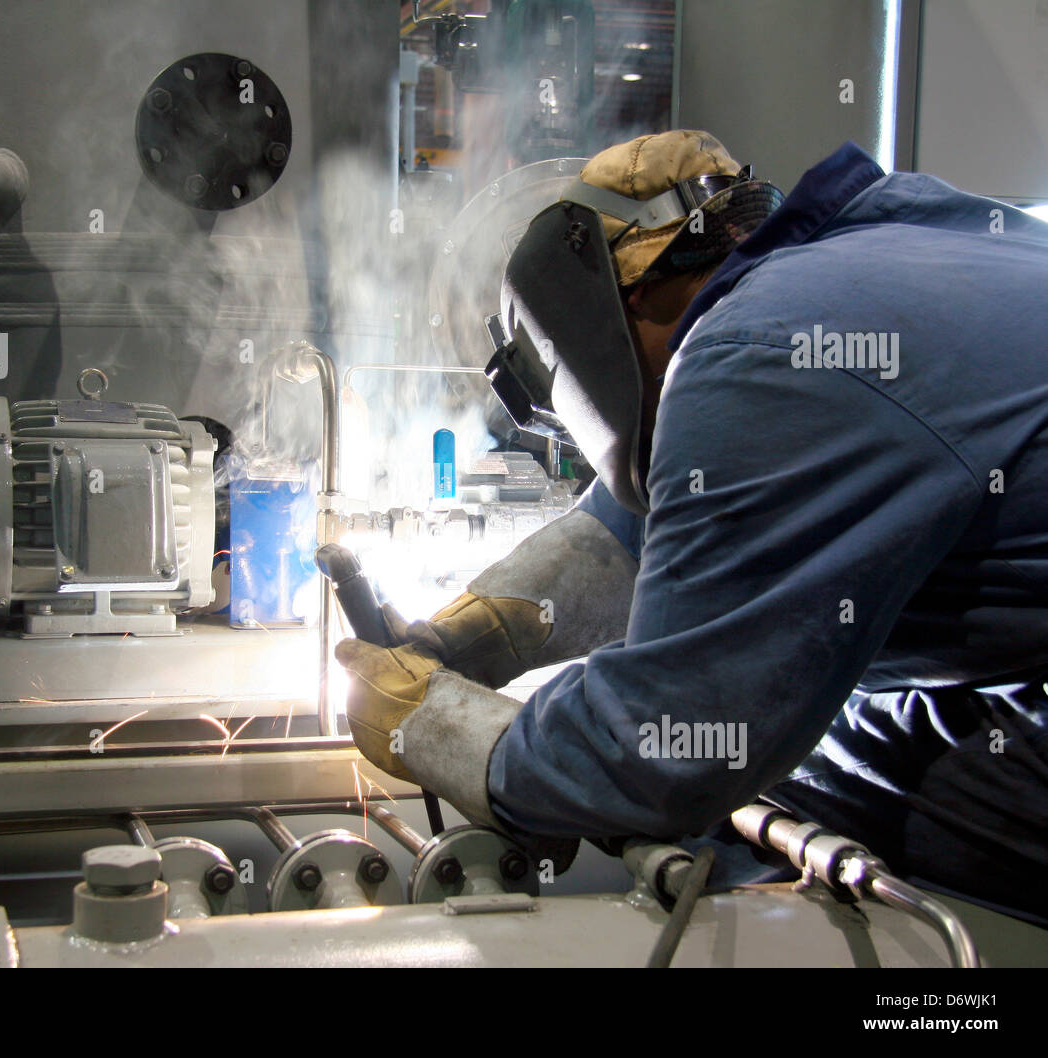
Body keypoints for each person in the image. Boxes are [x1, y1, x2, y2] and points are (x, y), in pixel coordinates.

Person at [335, 129, 1048, 926]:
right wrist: (478, 632)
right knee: (805, 737)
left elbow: (666, 743)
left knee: (759, 757)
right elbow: (648, 522)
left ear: (604, 316)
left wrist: (445, 736)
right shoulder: (885, 244)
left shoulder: (750, 349)